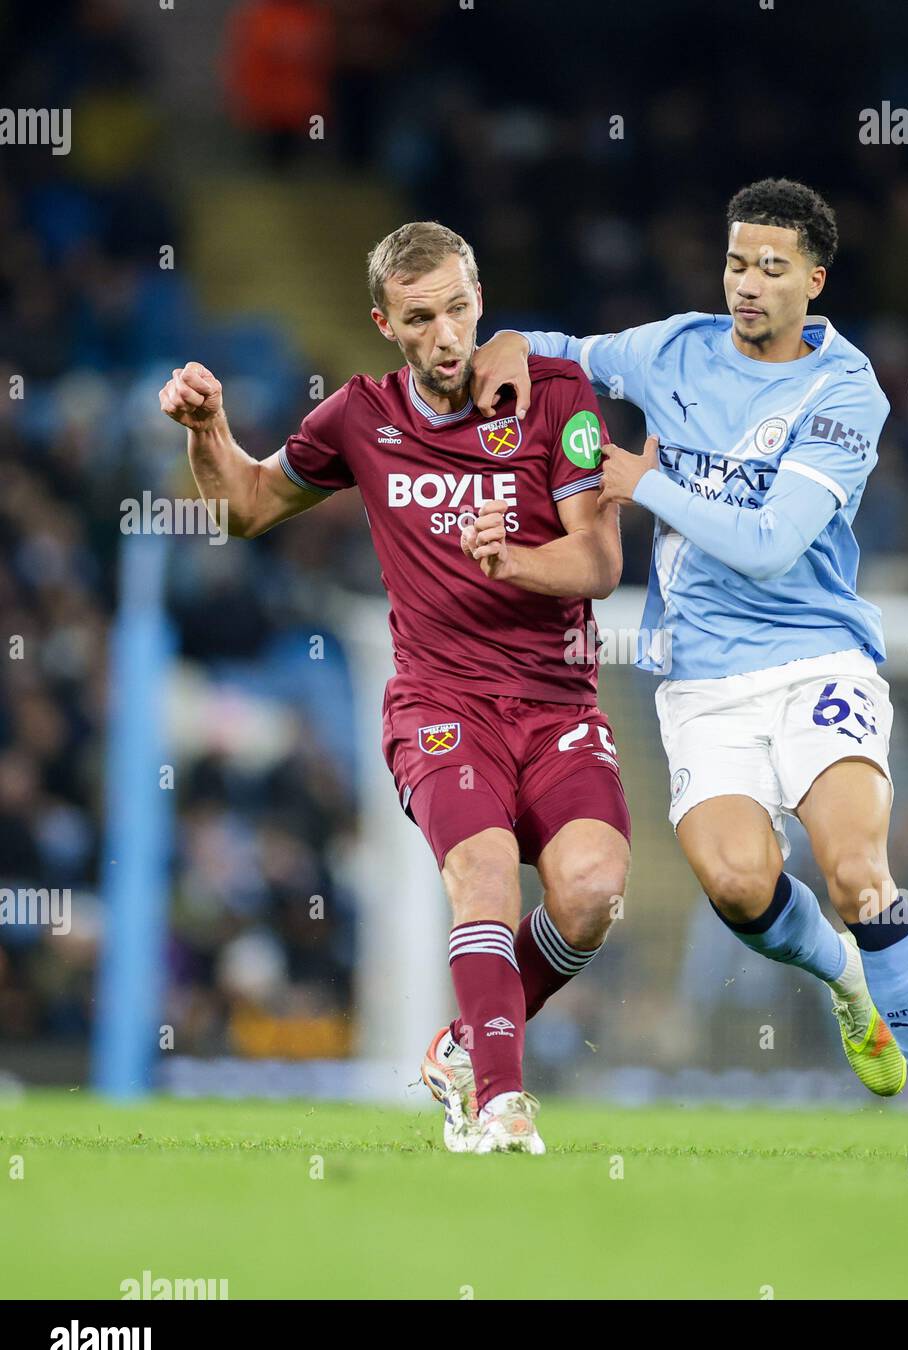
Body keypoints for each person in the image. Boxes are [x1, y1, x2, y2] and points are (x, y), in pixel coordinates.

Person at [470, 179, 908, 1159]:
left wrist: (644, 482)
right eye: (736, 262)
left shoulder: (844, 392)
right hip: (701, 682)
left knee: (853, 868)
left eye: (770, 267)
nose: (746, 284)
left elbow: (768, 542)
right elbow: (568, 354)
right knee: (739, 883)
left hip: (816, 659)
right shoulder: (673, 349)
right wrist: (501, 345)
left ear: (814, 278)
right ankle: (846, 978)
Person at [160, 221, 631, 1155]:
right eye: (423, 318)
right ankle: (498, 1104)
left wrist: (510, 559)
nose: (448, 334)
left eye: (460, 307)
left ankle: (464, 1047)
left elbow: (598, 560)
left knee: (591, 892)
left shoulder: (557, 396)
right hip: (440, 706)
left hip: (557, 707)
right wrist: (209, 433)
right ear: (387, 323)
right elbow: (245, 505)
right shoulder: (358, 418)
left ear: (480, 299)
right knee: (485, 877)